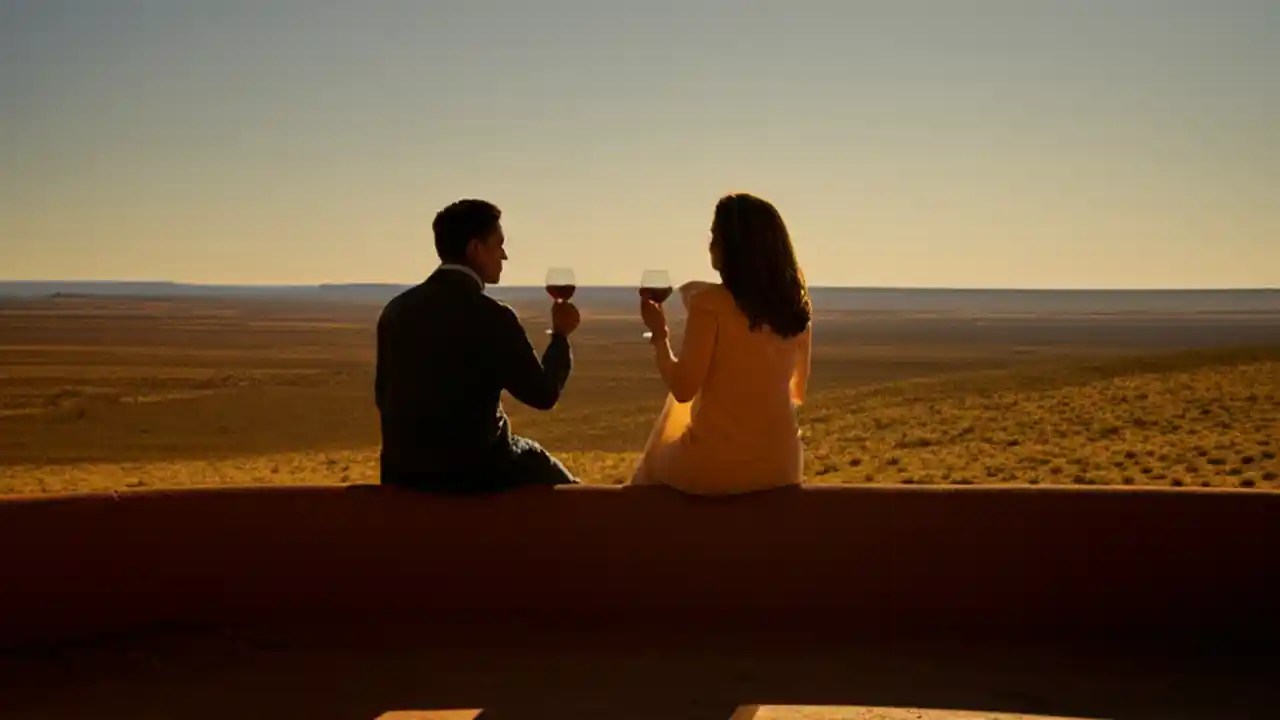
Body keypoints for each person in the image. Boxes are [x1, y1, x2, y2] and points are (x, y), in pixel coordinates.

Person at [375, 199, 581, 493]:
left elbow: (383, 394)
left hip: (402, 473)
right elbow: (543, 394)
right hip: (479, 473)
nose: (504, 256)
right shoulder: (491, 316)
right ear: (475, 249)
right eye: (498, 245)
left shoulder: (396, 311)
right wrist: (560, 336)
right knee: (574, 497)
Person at [632, 193, 813, 495]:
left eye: (716, 236)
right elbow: (797, 391)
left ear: (734, 247)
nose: (710, 244)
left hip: (714, 468)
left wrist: (659, 335)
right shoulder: (795, 307)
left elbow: (683, 388)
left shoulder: (709, 303)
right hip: (782, 467)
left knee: (653, 462)